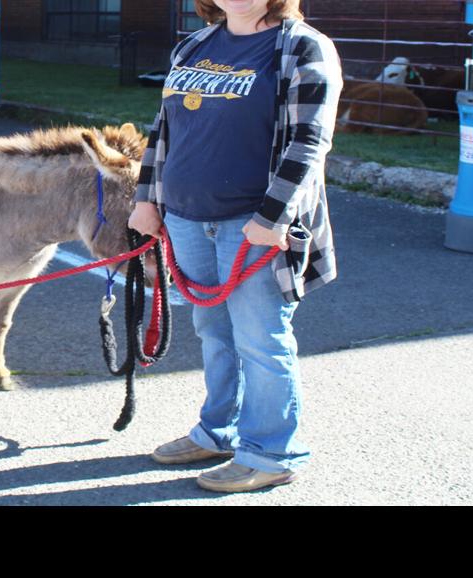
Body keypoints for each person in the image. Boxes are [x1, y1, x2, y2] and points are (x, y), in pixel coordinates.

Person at [129, 0, 341, 493]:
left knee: (260, 339)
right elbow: (164, 129)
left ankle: (271, 453)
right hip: (185, 216)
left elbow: (310, 140)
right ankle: (219, 432)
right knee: (214, 331)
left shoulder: (302, 46)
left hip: (252, 224)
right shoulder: (195, 44)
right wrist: (147, 200)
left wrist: (273, 217)